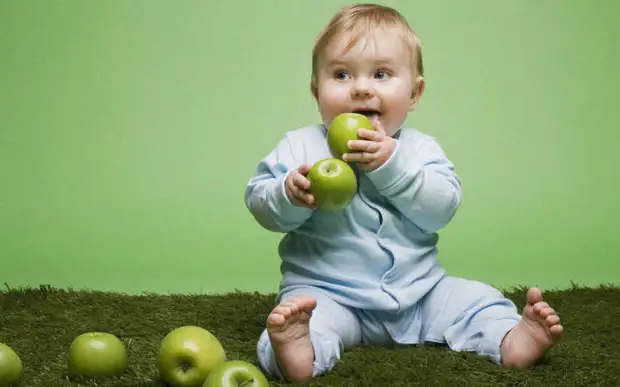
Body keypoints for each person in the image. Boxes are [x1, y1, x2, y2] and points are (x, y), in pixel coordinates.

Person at [244, 3, 563, 382]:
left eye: (381, 74)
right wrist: (288, 194)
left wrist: (391, 165)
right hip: (329, 295)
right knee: (303, 318)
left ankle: (511, 337)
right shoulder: (300, 147)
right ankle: (298, 351)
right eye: (341, 75)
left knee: (477, 300)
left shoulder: (419, 150)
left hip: (421, 294)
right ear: (317, 92)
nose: (361, 87)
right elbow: (260, 203)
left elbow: (441, 207)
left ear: (414, 92)